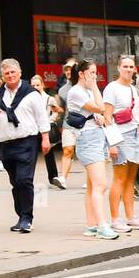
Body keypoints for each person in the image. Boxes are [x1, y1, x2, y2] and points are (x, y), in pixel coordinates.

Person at [0, 59, 50, 233]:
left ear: (20, 73)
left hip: (27, 142)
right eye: (7, 73)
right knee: (15, 182)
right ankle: (21, 215)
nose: (10, 75)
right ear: (3, 76)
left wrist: (45, 138)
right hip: (6, 144)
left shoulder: (31, 93)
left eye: (13, 72)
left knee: (24, 180)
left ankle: (28, 218)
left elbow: (42, 117)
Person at [67, 59, 119, 239]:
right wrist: (95, 87)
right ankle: (102, 225)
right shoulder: (76, 91)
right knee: (100, 185)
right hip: (88, 140)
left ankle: (91, 225)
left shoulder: (85, 91)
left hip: (95, 137)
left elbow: (100, 113)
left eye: (96, 73)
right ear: (81, 74)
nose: (94, 76)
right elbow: (100, 107)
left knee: (92, 186)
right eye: (91, 72)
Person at [104, 55, 139, 233]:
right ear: (118, 68)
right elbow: (107, 117)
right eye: (125, 66)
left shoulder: (134, 89)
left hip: (134, 136)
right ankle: (116, 219)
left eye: (131, 66)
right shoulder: (111, 88)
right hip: (119, 136)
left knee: (131, 180)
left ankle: (131, 217)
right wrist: (112, 143)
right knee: (119, 178)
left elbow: (136, 117)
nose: (129, 69)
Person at [32, 74, 65, 190]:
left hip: (44, 128)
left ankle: (53, 177)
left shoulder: (48, 98)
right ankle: (27, 178)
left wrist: (50, 119)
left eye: (38, 85)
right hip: (32, 129)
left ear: (42, 85)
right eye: (33, 85)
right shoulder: (29, 98)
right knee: (30, 154)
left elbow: (58, 111)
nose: (36, 87)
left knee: (48, 153)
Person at [57, 58, 78, 186]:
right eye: (66, 69)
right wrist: (57, 109)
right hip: (68, 124)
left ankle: (91, 179)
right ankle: (63, 178)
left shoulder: (86, 86)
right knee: (67, 150)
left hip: (86, 125)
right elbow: (62, 110)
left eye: (71, 68)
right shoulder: (62, 90)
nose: (68, 71)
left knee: (85, 153)